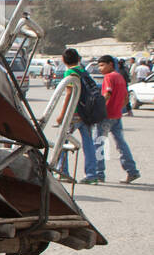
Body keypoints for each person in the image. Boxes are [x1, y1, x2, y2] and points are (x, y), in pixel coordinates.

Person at [92, 54, 140, 184]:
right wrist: (118, 108)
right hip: (117, 116)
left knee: (98, 144)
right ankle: (132, 171)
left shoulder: (109, 77)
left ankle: (98, 173)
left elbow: (107, 94)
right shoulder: (120, 77)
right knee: (121, 144)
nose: (100, 68)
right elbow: (125, 98)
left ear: (110, 64)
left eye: (102, 65)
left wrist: (99, 109)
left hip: (106, 116)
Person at [55, 48, 99, 182]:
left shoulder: (70, 72)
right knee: (88, 143)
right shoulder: (83, 71)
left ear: (64, 60)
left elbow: (69, 93)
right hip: (86, 113)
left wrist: (61, 115)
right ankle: (91, 174)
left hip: (73, 113)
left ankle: (63, 171)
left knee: (62, 141)